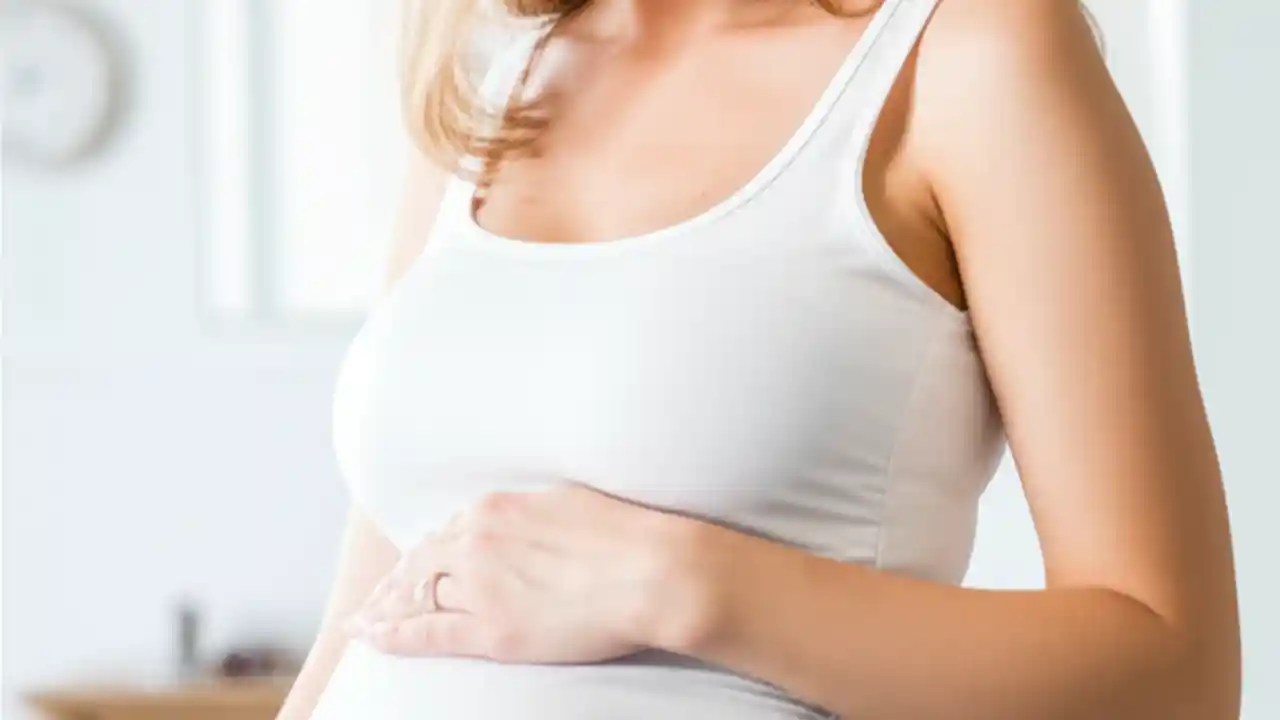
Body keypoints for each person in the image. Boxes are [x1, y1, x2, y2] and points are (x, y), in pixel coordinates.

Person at [278, 0, 1241, 718]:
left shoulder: (971, 51)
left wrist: (685, 585)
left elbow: (1177, 670)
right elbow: (372, 607)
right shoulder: (492, 77)